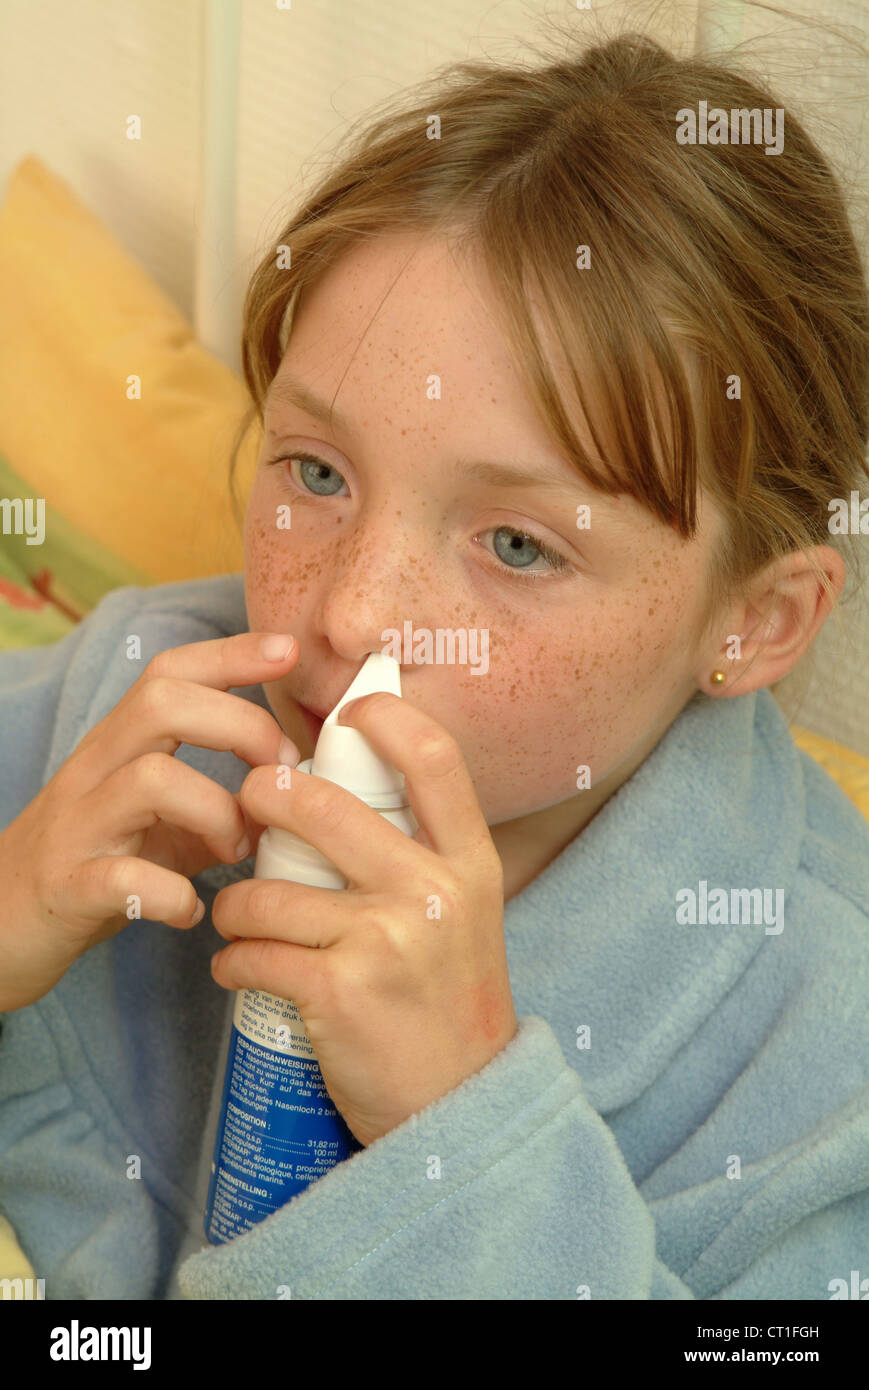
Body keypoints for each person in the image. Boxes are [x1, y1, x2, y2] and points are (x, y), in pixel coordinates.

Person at [0, 29, 867, 1300]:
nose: (349, 614)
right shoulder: (125, 702)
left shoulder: (815, 1055)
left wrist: (464, 1135)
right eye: (315, 471)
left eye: (516, 543)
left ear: (757, 622)